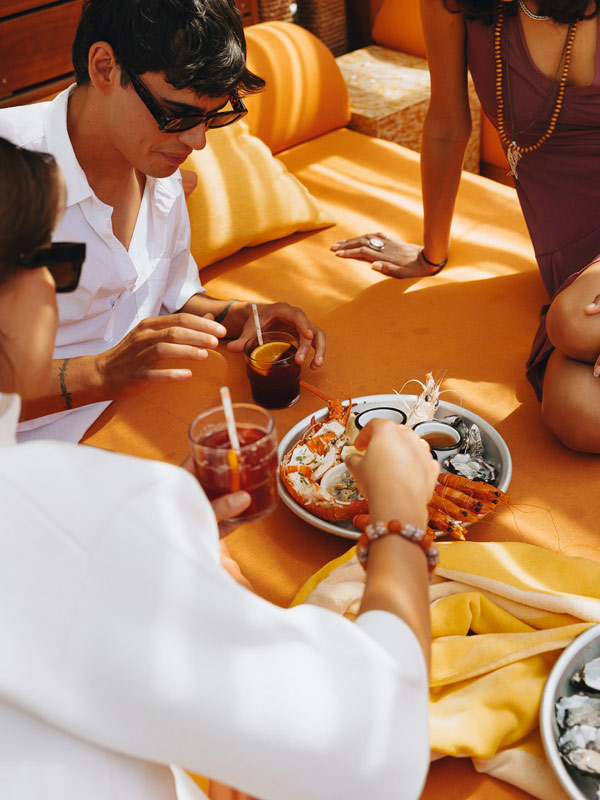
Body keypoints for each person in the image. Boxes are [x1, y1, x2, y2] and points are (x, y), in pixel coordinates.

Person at [0, 136, 437, 800]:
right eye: (47, 263)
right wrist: (400, 514)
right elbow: (373, 749)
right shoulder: (60, 510)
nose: (54, 288)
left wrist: (158, 526)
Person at [0, 0, 325, 445]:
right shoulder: (10, 167)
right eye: (179, 114)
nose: (197, 141)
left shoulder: (159, 167)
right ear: (105, 68)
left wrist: (246, 315)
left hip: (135, 419)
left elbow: (172, 294)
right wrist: (101, 371)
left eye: (212, 116)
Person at [331, 0, 600, 453]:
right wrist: (430, 255)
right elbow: (447, 123)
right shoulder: (456, 4)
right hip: (571, 262)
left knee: (574, 323)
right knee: (577, 415)